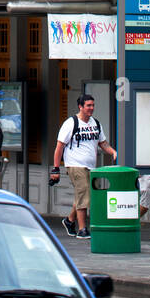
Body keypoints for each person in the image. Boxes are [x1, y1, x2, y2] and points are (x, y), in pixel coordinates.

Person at [50, 94, 117, 239]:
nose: (91, 108)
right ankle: (82, 229)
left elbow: (102, 143)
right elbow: (59, 146)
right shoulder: (71, 123)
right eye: (88, 105)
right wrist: (56, 168)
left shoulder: (95, 123)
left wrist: (112, 152)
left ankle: (69, 221)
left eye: (93, 105)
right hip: (75, 164)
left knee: (85, 194)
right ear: (80, 106)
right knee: (84, 192)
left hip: (91, 166)